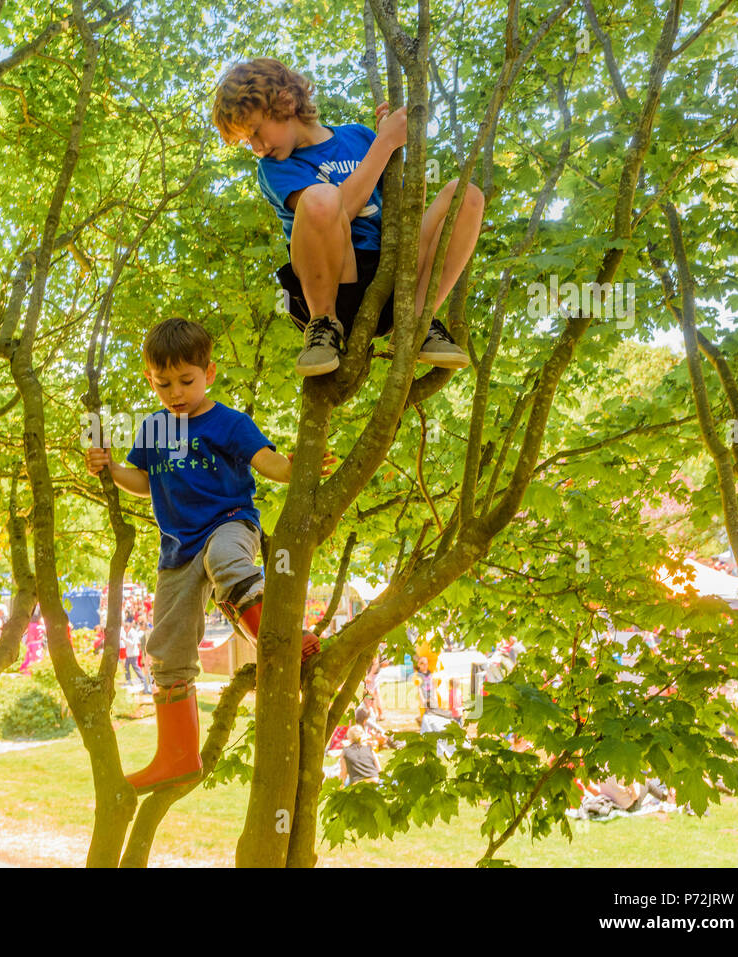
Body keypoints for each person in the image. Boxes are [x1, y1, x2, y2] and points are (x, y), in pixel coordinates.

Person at [84, 317, 328, 793]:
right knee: (166, 645)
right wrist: (111, 468)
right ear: (150, 380)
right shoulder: (154, 428)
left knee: (229, 564)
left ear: (209, 372)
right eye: (163, 383)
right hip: (178, 546)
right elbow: (143, 482)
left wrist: (295, 468)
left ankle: (277, 637)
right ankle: (177, 756)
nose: (175, 392)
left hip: (230, 524)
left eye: (186, 381)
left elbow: (266, 461)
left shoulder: (228, 423)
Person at [212, 58, 483, 377]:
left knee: (466, 195)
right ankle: (323, 326)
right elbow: (334, 210)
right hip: (336, 283)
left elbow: (407, 212)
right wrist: (385, 143)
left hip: (391, 273)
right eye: (248, 142)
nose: (257, 147)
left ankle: (416, 322)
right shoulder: (273, 168)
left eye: (256, 132)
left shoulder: (357, 137)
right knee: (321, 197)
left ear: (285, 101)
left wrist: (401, 142)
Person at [121, 620, 153, 694]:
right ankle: (131, 680)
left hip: (133, 653)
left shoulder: (133, 633)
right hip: (131, 653)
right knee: (128, 667)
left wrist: (124, 639)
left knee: (137, 668)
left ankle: (144, 682)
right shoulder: (130, 632)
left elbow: (133, 643)